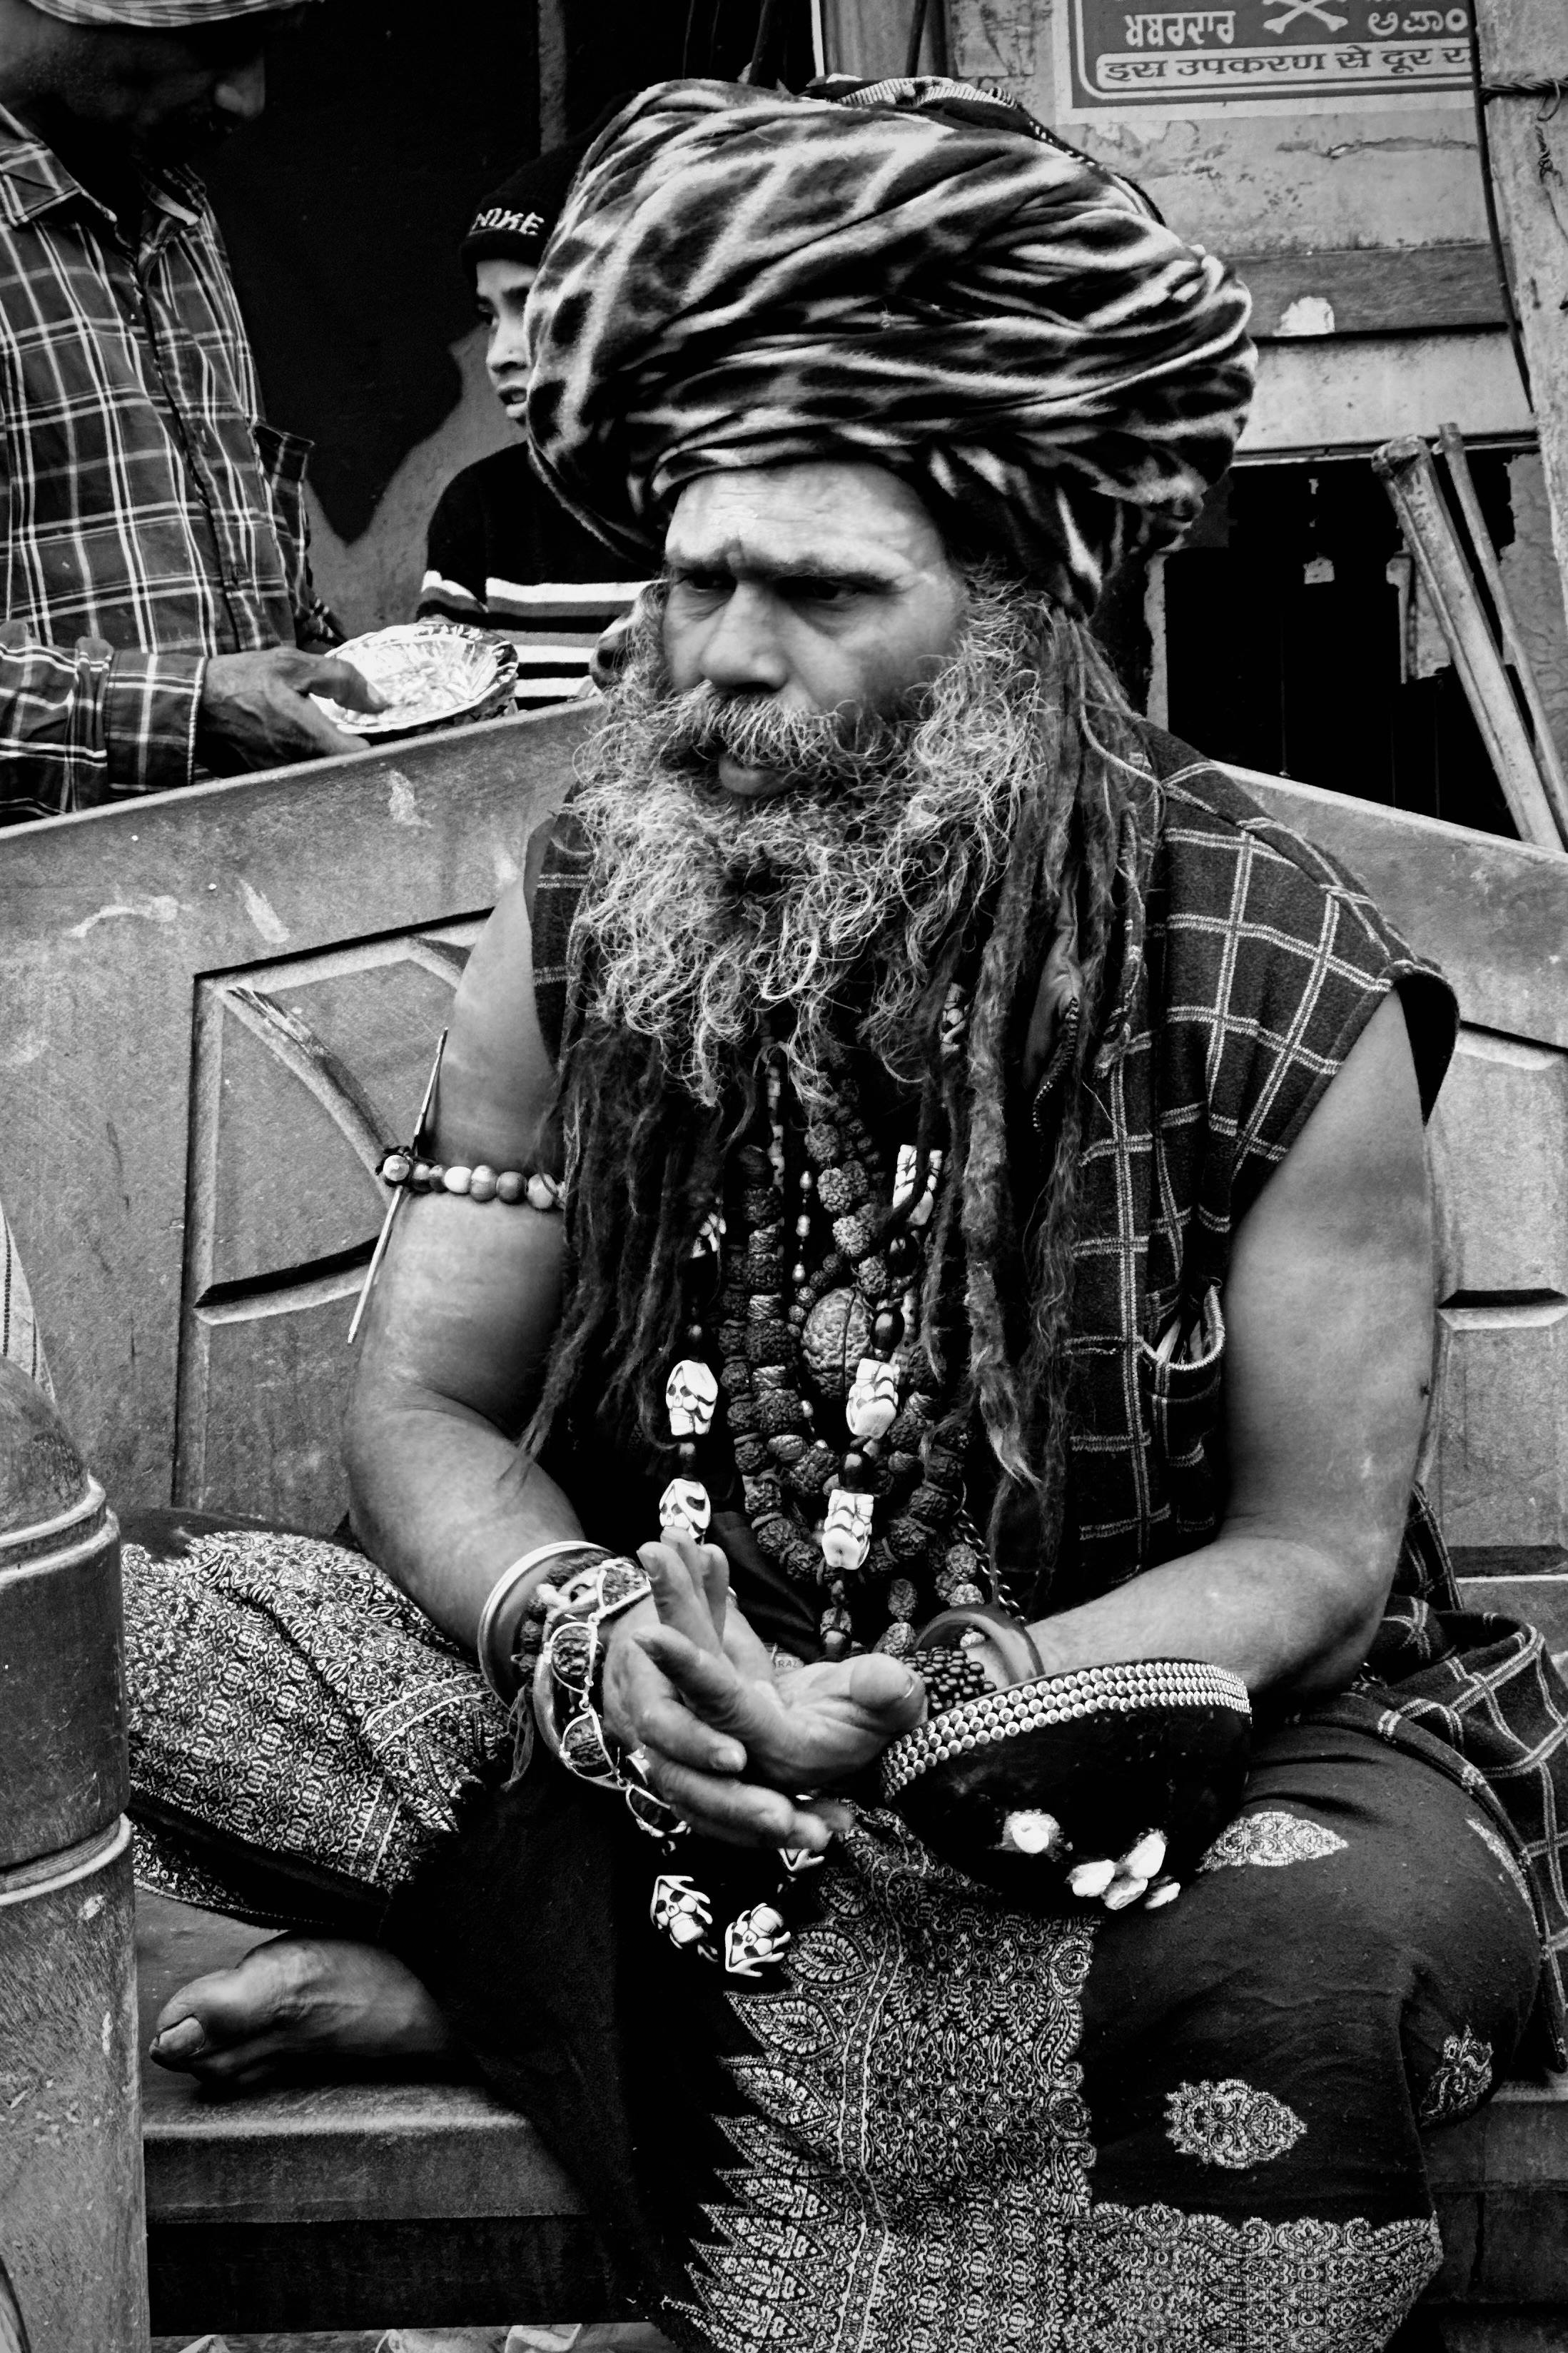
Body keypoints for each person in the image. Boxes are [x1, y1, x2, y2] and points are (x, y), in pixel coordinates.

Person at [123, 79, 1568, 2352]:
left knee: (1287, 1989)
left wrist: (941, 1710)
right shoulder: (599, 889)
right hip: (663, 1734)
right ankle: (582, 1950)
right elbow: (421, 1408)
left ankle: (528, 1980)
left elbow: (1306, 1563)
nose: (719, 650)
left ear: (1017, 610)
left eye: (816, 591)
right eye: (694, 574)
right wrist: (595, 1642)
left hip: (1168, 1752)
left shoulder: (1273, 969)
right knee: (166, 1648)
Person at [0, 0, 382, 827]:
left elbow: (238, 568)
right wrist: (191, 707)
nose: (249, 98)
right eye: (218, 46)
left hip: (245, 889)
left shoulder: (177, 210)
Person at [418, 122, 645, 712]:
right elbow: (448, 742)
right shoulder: (482, 508)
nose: (500, 354)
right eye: (489, 316)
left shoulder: (708, 505)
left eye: (530, 303)